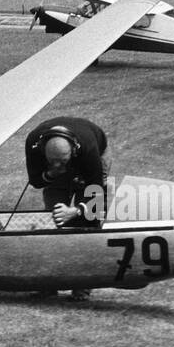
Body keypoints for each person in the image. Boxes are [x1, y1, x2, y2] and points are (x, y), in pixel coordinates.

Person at [24, 117, 110, 301]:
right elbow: (36, 181)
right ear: (43, 151)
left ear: (73, 150)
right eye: (52, 160)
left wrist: (76, 210)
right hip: (62, 164)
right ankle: (49, 284)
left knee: (88, 222)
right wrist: (51, 173)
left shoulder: (87, 147)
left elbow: (97, 191)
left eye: (62, 161)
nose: (58, 165)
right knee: (53, 220)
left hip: (92, 161)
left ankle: (82, 286)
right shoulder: (33, 142)